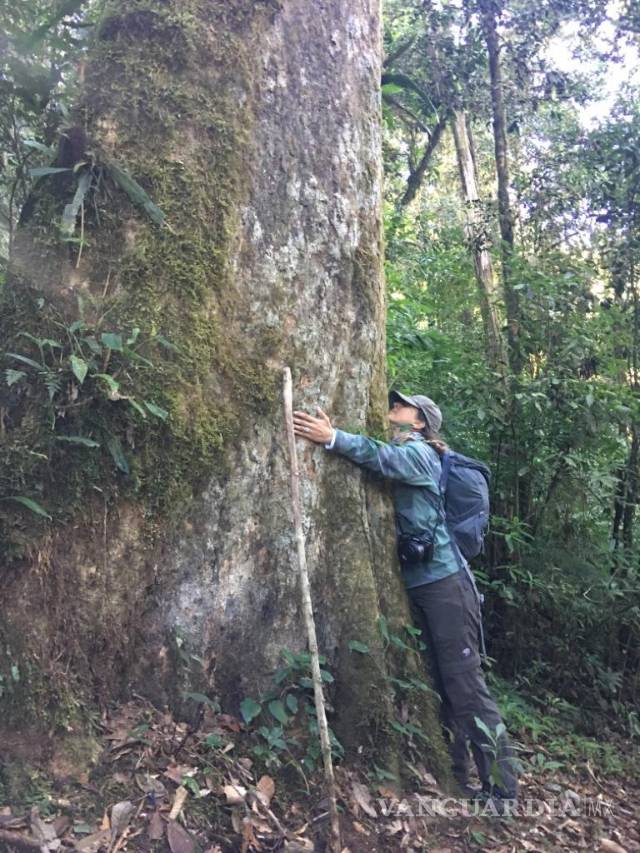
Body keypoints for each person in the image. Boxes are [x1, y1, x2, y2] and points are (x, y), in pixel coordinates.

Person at [293, 390, 518, 807]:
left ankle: (503, 789)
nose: (394, 406)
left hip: (447, 585)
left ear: (418, 423)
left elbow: (383, 458)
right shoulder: (412, 447)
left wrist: (332, 437)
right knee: (441, 683)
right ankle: (455, 776)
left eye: (404, 405)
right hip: (425, 585)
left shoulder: (419, 453)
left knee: (465, 683)